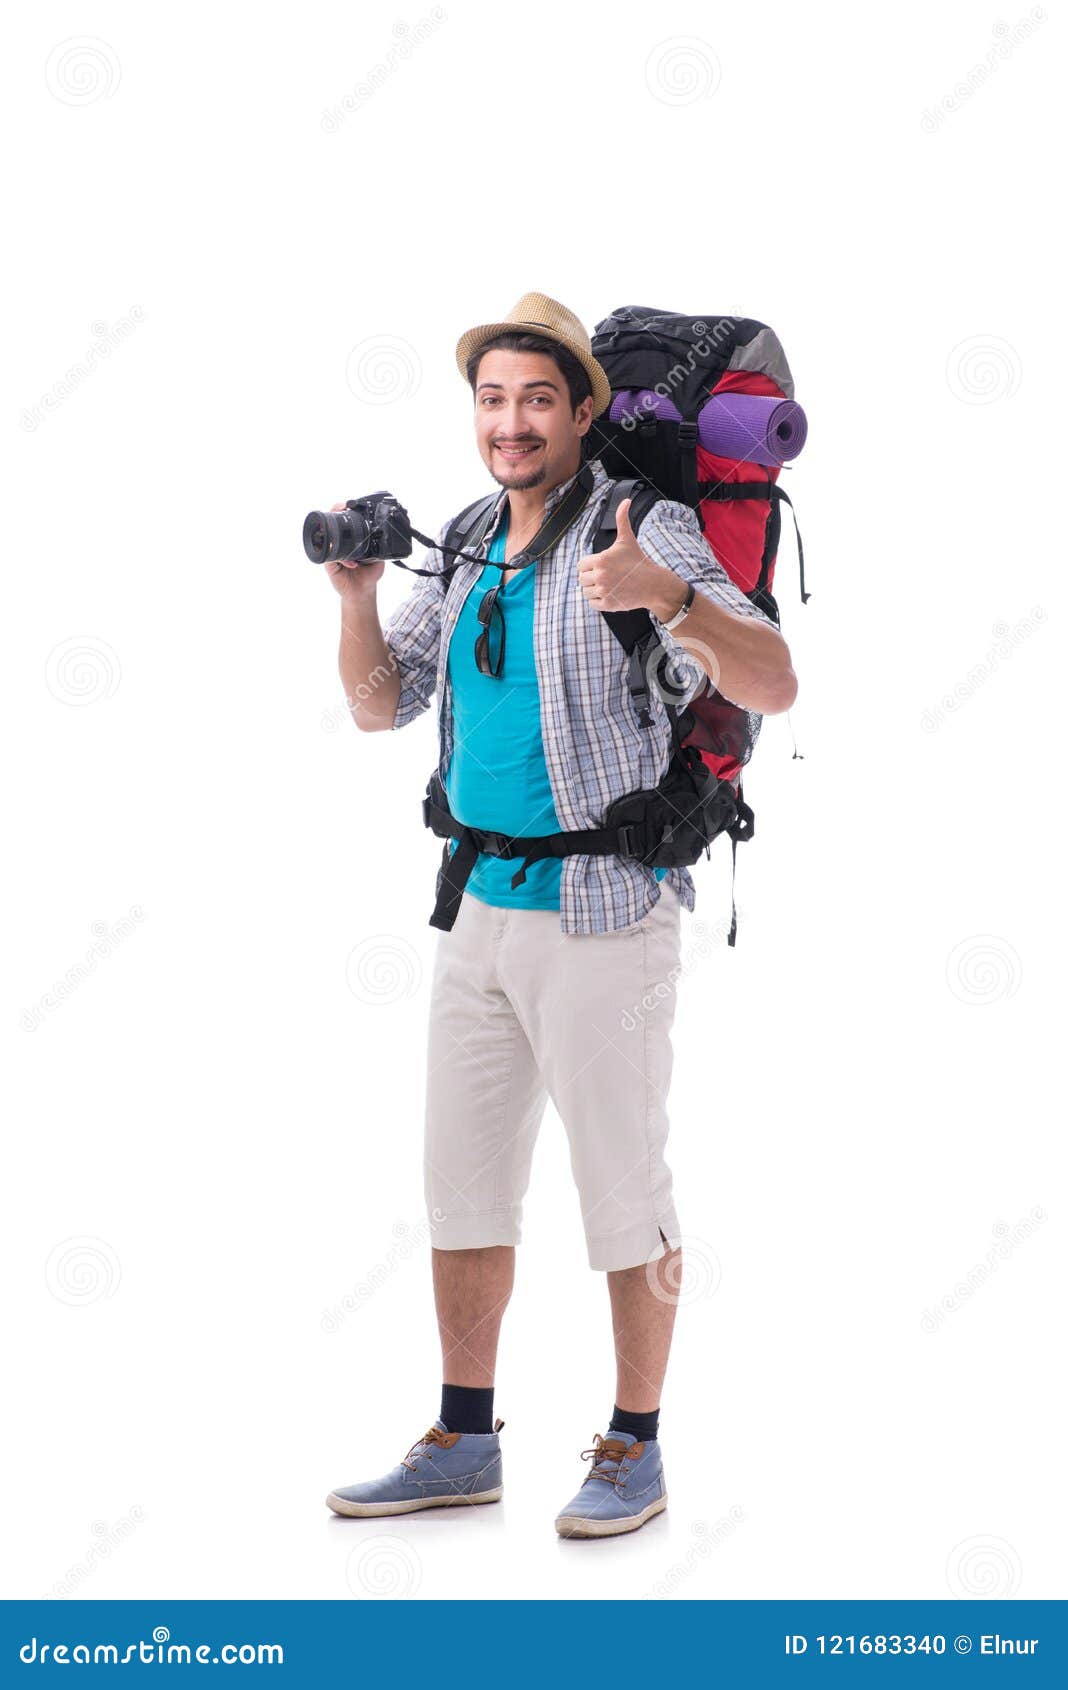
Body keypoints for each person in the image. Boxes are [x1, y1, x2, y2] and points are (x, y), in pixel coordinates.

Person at [323, 293, 797, 1537]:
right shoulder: (469, 536)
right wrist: (354, 594)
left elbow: (773, 679)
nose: (512, 422)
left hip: (606, 912)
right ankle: (463, 1440)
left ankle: (636, 1446)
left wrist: (667, 595)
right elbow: (378, 705)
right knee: (463, 1189)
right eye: (493, 399)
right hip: (477, 905)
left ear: (583, 411)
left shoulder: (647, 524)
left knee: (624, 1191)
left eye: (538, 398)